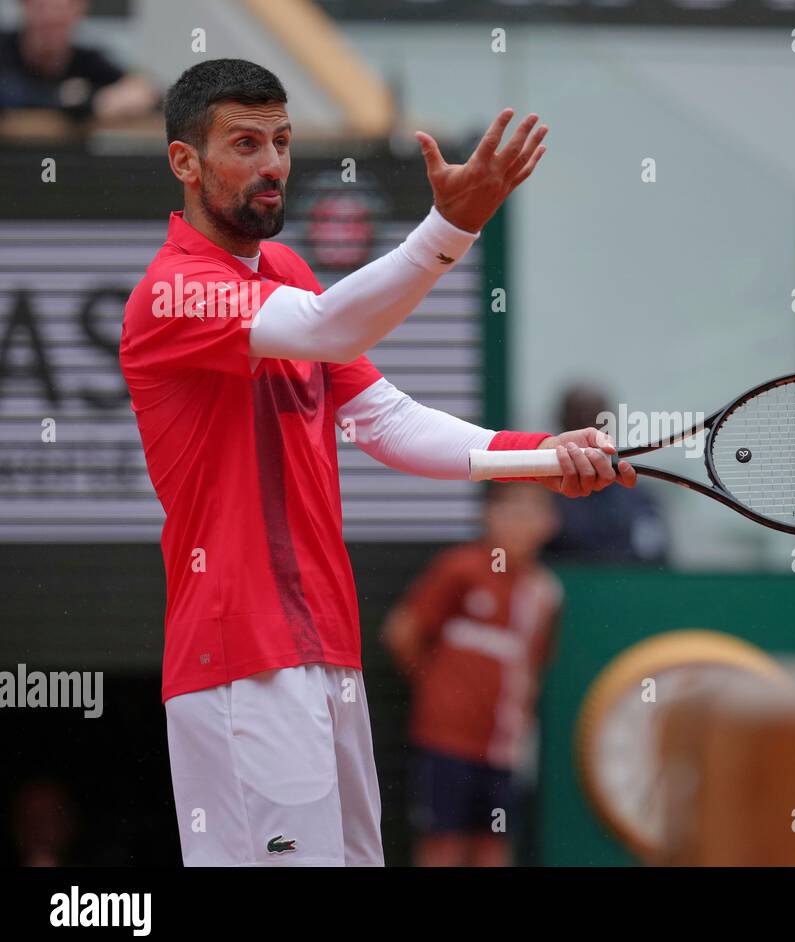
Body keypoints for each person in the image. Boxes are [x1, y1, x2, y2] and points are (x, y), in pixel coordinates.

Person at [118, 59, 635, 867]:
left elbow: (385, 420)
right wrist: (449, 229)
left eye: (282, 141)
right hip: (241, 661)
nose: (271, 165)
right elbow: (331, 328)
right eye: (244, 144)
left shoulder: (284, 272)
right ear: (184, 162)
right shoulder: (172, 291)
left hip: (323, 649)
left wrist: (541, 455)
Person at [382, 481, 561, 866]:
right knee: (442, 844)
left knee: (494, 845)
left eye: (532, 513)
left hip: (505, 749)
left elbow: (535, 668)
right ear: (488, 516)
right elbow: (402, 633)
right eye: (512, 511)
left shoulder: (545, 594)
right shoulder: (459, 568)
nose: (521, 523)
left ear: (549, 524)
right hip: (446, 743)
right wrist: (436, 689)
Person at [543, 385, 670, 564]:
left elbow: (657, 558)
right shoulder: (541, 499)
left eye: (599, 418)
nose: (589, 429)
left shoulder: (640, 499)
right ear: (563, 423)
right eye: (578, 417)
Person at [0, 0, 158, 120]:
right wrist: (65, 99)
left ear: (78, 11)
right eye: (42, 6)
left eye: (61, 9)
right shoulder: (4, 50)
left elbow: (143, 89)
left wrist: (96, 101)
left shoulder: (86, 60)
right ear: (25, 6)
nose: (50, 15)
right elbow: (9, 94)